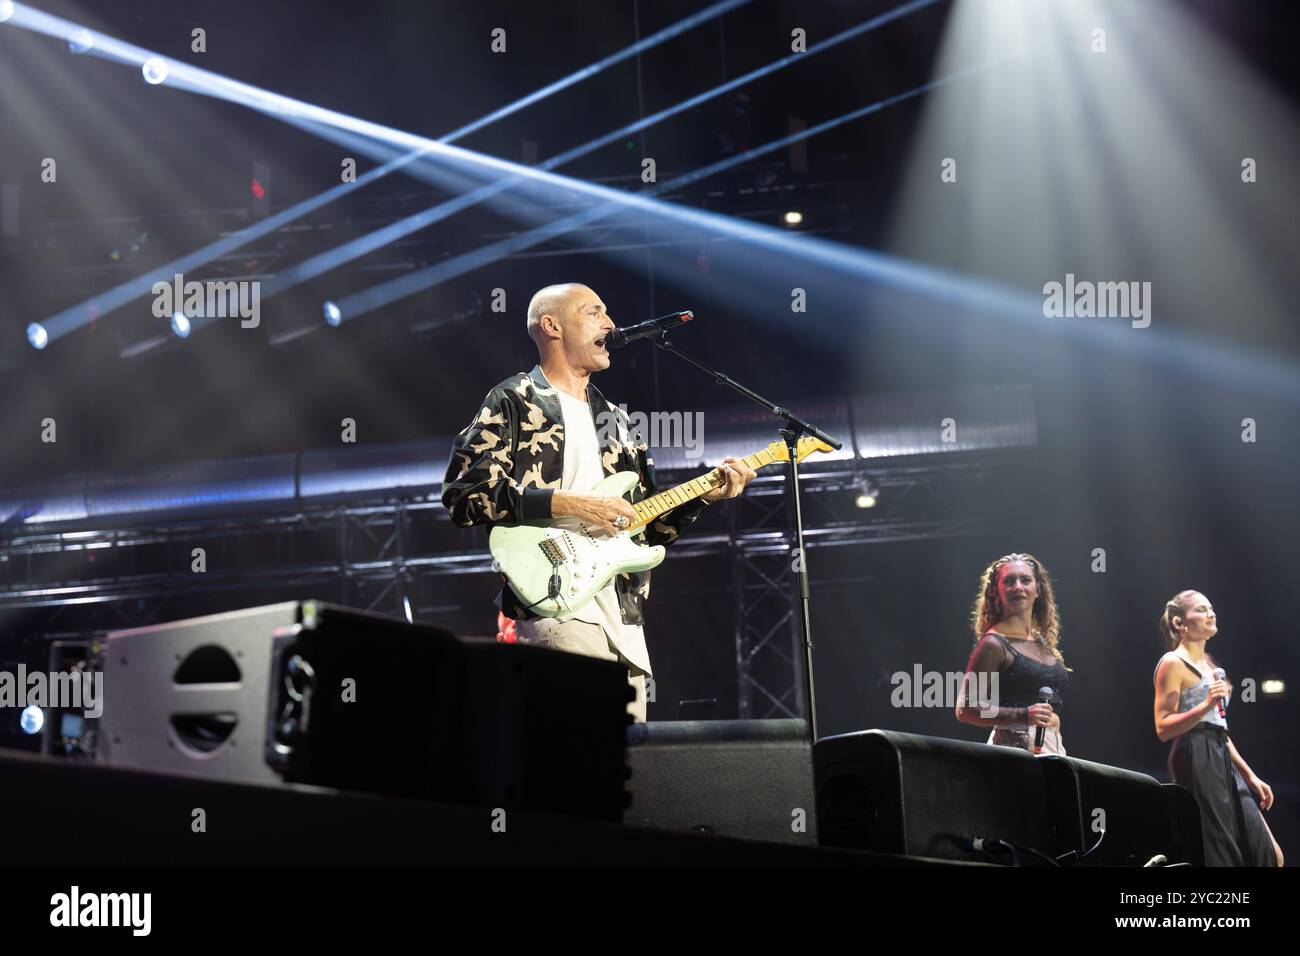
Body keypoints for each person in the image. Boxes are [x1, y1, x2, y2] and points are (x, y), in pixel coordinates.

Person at [441, 283, 756, 722]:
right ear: (551, 326)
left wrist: (704, 497)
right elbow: (464, 496)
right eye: (594, 313)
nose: (610, 323)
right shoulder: (515, 400)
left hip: (622, 616)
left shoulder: (617, 421)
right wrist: (569, 503)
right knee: (580, 754)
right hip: (555, 601)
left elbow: (644, 526)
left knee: (629, 768)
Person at [1153, 589, 1282, 866]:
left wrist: (1250, 775)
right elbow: (1163, 727)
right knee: (1220, 850)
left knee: (1269, 854)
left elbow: (1218, 727)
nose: (1210, 613)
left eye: (1211, 607)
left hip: (1220, 750)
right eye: (1200, 609)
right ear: (1180, 623)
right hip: (1195, 752)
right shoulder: (1172, 663)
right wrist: (1205, 706)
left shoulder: (1210, 666)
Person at [955, 553, 1069, 755]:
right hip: (1013, 752)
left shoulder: (1042, 643)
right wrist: (1022, 715)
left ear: (1037, 589)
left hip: (1051, 747)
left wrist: (1052, 720)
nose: (1018, 586)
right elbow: (965, 709)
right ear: (996, 591)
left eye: (1025, 580)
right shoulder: (994, 643)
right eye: (1009, 581)